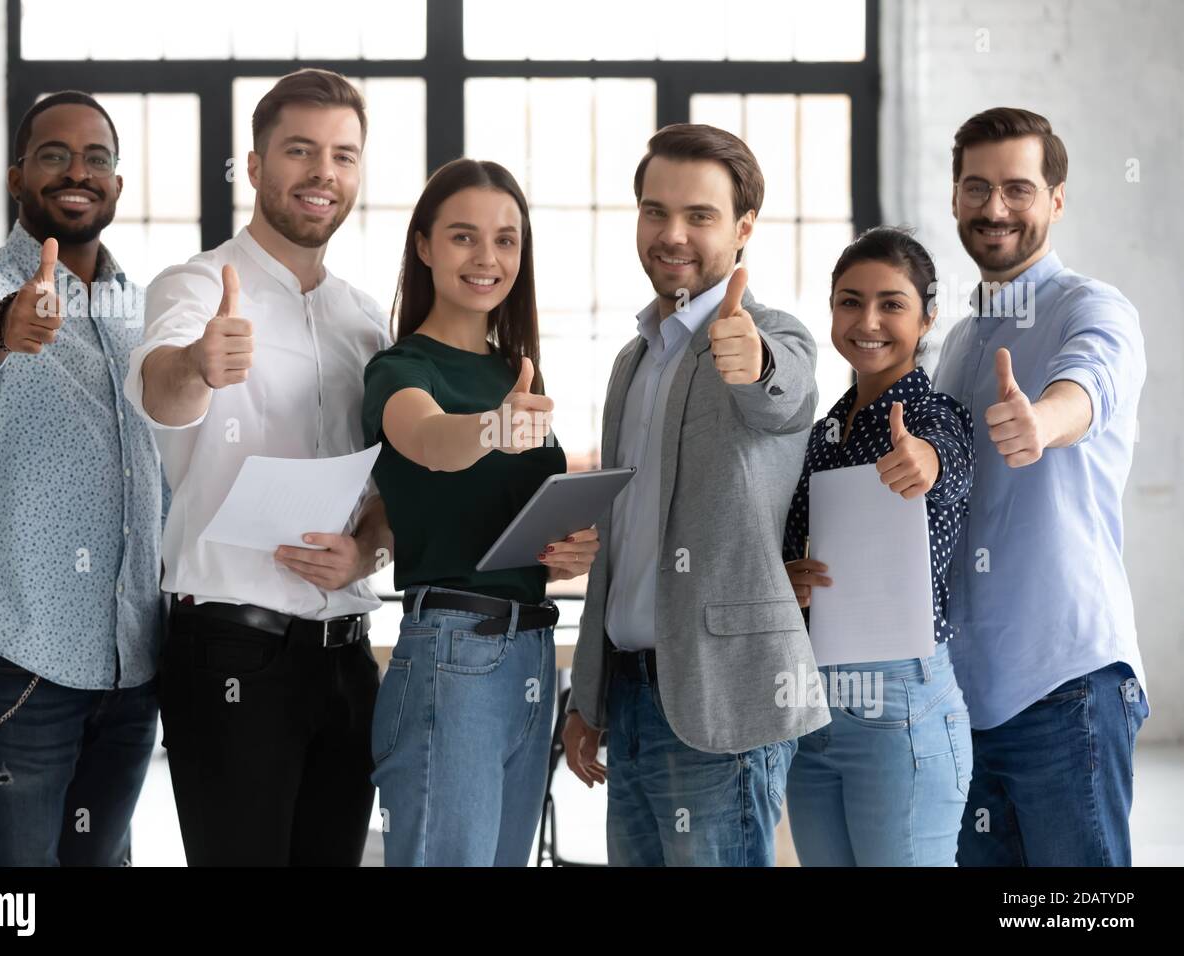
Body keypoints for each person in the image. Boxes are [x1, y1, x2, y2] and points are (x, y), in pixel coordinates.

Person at [124, 69, 392, 866]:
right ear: (254, 164)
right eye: (300, 151)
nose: (323, 174)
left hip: (347, 654)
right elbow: (158, 393)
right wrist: (199, 364)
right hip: (231, 653)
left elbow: (383, 488)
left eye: (343, 156)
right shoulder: (197, 285)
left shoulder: (364, 317)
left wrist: (369, 548)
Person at [562, 124, 828, 866]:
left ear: (744, 228)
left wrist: (754, 363)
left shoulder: (774, 334)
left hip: (727, 702)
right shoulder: (631, 361)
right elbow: (622, 546)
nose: (671, 234)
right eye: (655, 211)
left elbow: (788, 394)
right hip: (634, 696)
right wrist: (590, 697)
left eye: (700, 216)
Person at [0, 91, 160, 865]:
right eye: (54, 155)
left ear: (117, 185)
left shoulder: (140, 310)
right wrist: (8, 325)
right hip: (24, 655)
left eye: (97, 158)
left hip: (131, 658)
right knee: (14, 883)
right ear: (16, 176)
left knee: (103, 859)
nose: (78, 172)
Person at [361, 158, 600, 866]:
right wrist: (492, 429)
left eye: (506, 240)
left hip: (530, 651)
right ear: (425, 246)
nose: (487, 258)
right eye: (463, 237)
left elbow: (521, 516)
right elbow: (430, 440)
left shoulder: (514, 373)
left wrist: (571, 549)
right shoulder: (401, 370)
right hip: (453, 655)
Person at [932, 107, 1148, 866]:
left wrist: (1045, 421)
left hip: (1066, 688)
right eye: (977, 188)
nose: (995, 208)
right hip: (965, 701)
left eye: (1018, 189)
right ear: (955, 197)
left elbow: (1089, 382)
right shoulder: (960, 342)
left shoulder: (1090, 308)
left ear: (1056, 199)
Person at [782, 226, 975, 866]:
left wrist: (925, 462)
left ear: (927, 317)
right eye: (849, 300)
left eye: (892, 303)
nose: (868, 320)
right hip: (814, 702)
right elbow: (791, 545)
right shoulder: (823, 431)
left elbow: (949, 464)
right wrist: (790, 577)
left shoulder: (932, 417)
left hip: (902, 700)